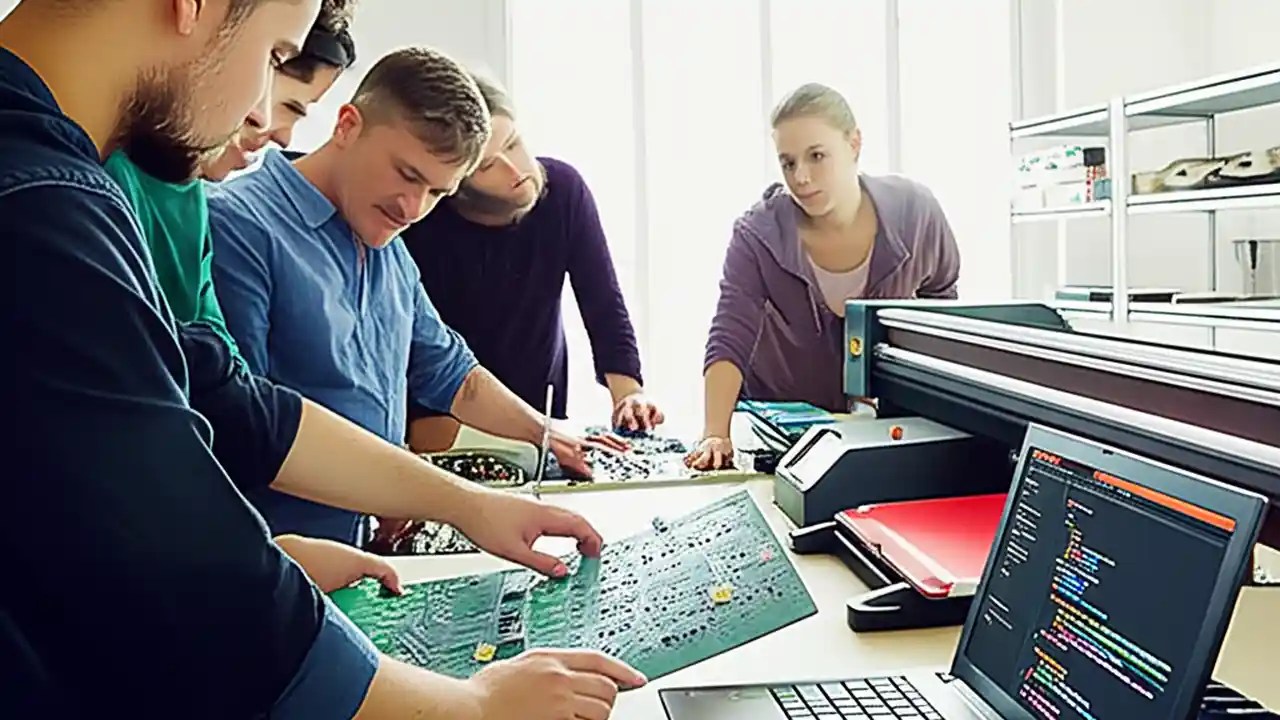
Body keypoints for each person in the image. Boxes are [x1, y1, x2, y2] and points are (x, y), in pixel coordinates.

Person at [1, 2, 643, 717]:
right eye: (276, 57)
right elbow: (189, 571)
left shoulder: (65, 186)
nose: (264, 115)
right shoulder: (41, 208)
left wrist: (463, 503)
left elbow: (232, 402)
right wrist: (478, 709)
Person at [208, 47, 626, 545]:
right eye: (407, 175)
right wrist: (420, 494)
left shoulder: (387, 245)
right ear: (346, 125)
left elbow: (452, 374)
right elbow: (243, 430)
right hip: (281, 555)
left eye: (436, 194)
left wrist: (545, 433)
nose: (412, 208)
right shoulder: (238, 226)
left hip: (373, 545)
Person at [686, 83, 961, 470]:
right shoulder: (756, 234)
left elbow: (941, 307)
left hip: (883, 430)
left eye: (817, 156)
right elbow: (730, 333)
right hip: (780, 433)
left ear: (854, 144)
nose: (801, 177)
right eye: (788, 162)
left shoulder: (917, 212)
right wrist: (716, 431)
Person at [400, 73, 662, 453]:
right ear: (456, 183)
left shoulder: (564, 189)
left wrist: (629, 396)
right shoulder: (422, 225)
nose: (515, 169)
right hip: (446, 418)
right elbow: (422, 365)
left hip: (543, 407)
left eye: (514, 143)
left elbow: (603, 305)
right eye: (488, 166)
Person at [103, 8, 357, 364]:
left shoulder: (192, 198)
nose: (281, 134)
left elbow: (219, 359)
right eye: (290, 106)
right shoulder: (113, 180)